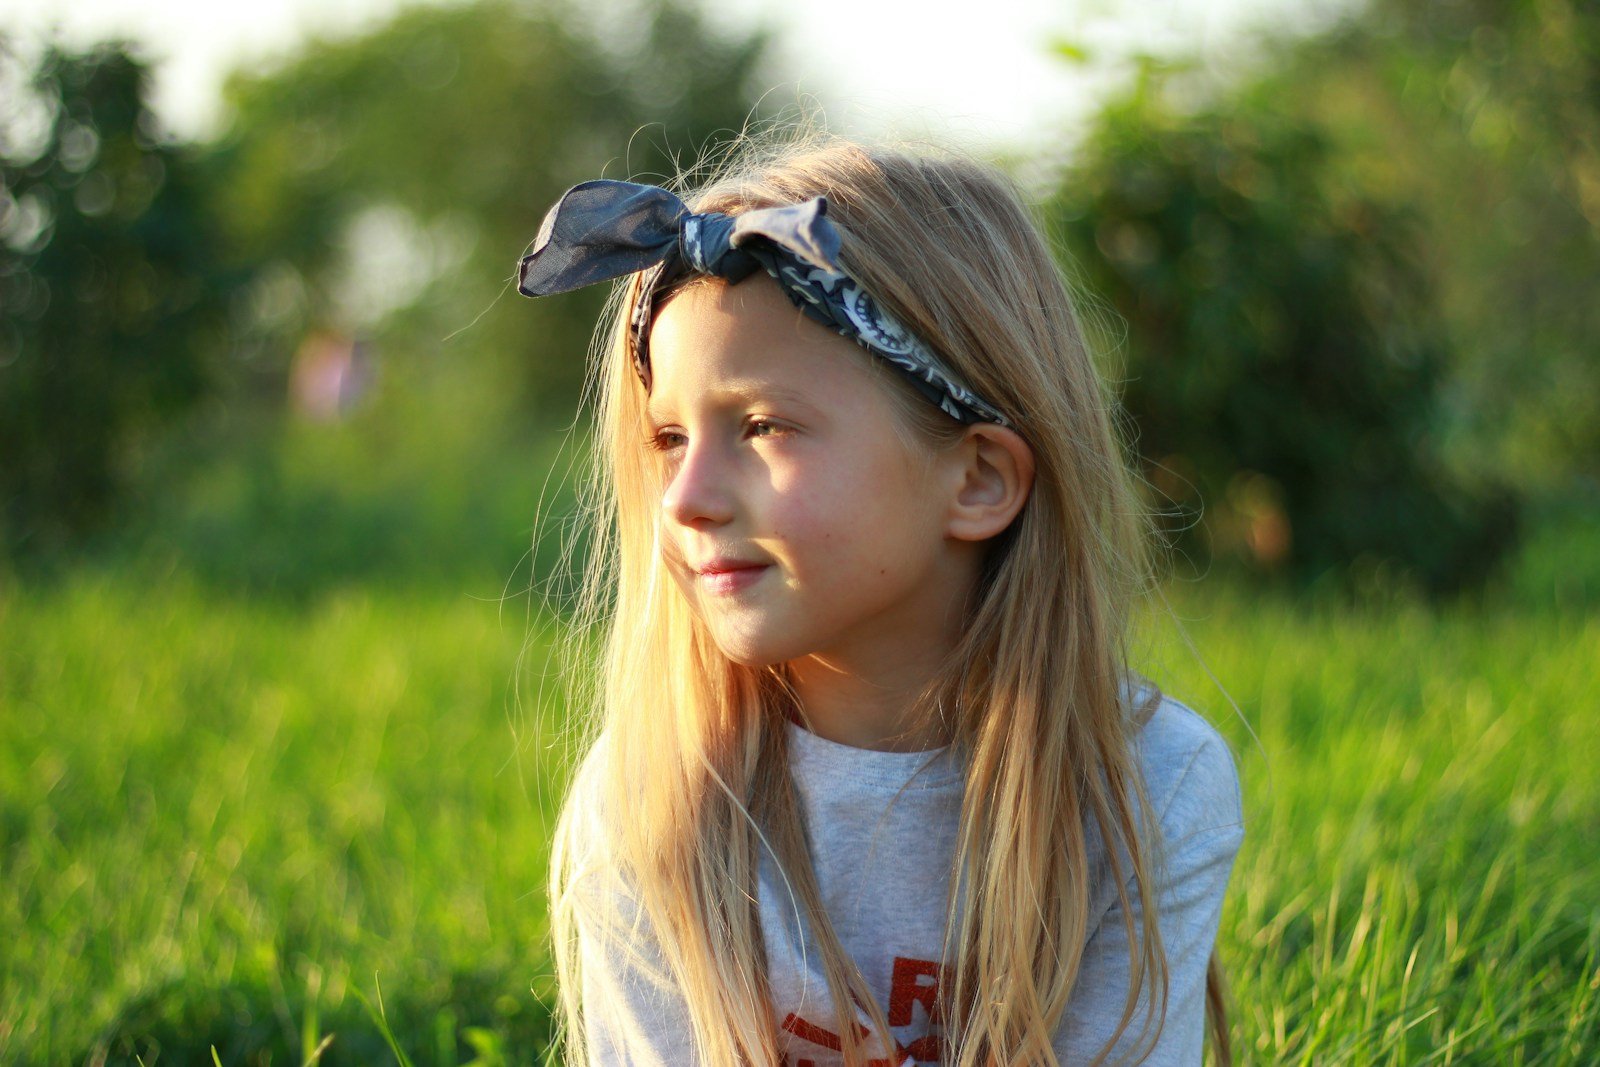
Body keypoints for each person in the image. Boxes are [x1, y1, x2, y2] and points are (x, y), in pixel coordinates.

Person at [519, 130, 1246, 1066]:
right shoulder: (649, 803)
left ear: (978, 478)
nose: (687, 497)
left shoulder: (1146, 788)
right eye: (667, 438)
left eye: (761, 425)